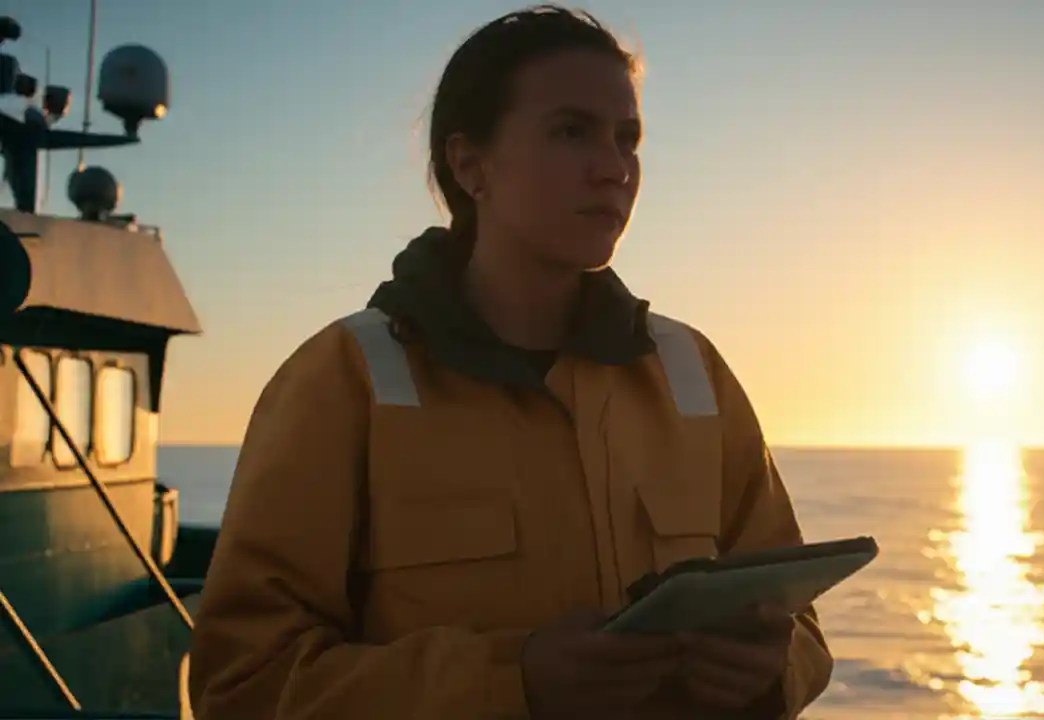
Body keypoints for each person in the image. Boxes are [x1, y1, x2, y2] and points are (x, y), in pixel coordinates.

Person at [188, 5, 833, 718]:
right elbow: (242, 683)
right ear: (470, 166)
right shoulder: (346, 381)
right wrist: (511, 682)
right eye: (570, 132)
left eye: (628, 139)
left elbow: (797, 627)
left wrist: (768, 670)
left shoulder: (693, 374)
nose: (614, 169)